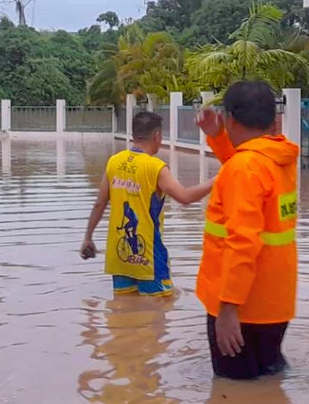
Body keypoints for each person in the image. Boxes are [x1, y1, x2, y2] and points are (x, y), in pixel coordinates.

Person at [195, 81, 299, 380]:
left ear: (230, 118)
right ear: (274, 119)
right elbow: (243, 164)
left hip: (242, 307)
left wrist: (228, 309)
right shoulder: (277, 159)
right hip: (274, 302)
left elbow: (243, 241)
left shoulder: (245, 168)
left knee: (235, 398)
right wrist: (218, 137)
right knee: (267, 385)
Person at [81, 111, 213, 297]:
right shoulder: (155, 167)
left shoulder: (114, 162)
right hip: (149, 256)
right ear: (157, 136)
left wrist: (88, 237)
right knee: (161, 307)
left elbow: (99, 203)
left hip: (119, 257)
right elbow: (185, 197)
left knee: (123, 311)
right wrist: (217, 179)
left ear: (134, 135)